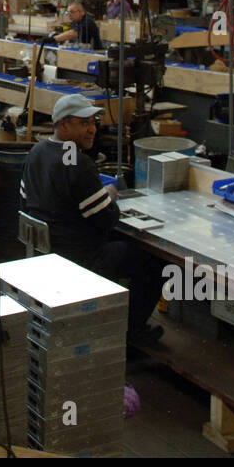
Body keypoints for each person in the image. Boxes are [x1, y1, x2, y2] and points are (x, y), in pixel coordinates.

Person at [20, 93, 166, 346]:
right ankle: (132, 333)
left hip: (46, 255)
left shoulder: (37, 151)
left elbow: (24, 200)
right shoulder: (77, 162)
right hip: (79, 260)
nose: (92, 129)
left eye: (94, 122)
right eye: (84, 123)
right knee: (153, 262)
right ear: (63, 124)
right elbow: (107, 219)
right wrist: (109, 195)